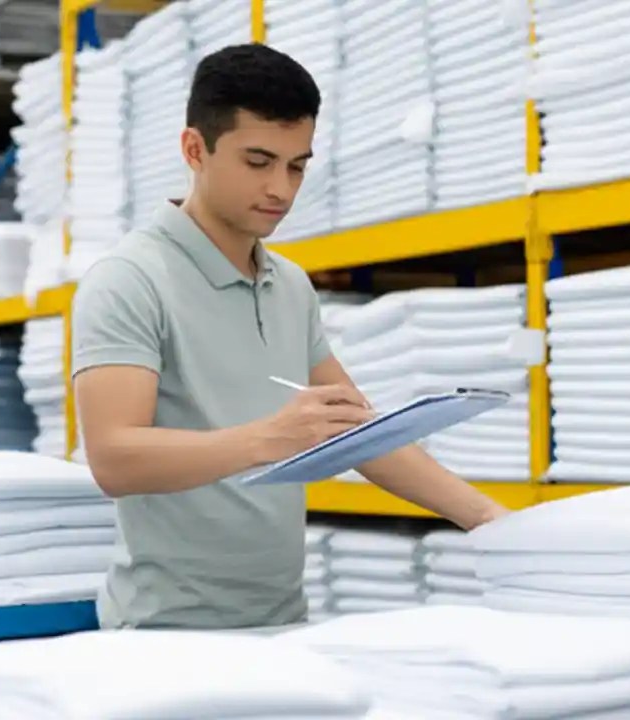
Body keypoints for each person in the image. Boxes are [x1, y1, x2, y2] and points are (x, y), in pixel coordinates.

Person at [70, 43, 509, 631]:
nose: (281, 188)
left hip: (283, 623)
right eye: (258, 161)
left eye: (297, 165)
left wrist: (490, 518)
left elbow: (359, 432)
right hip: (163, 632)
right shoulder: (128, 280)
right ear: (194, 149)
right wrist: (271, 437)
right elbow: (115, 458)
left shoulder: (290, 285)